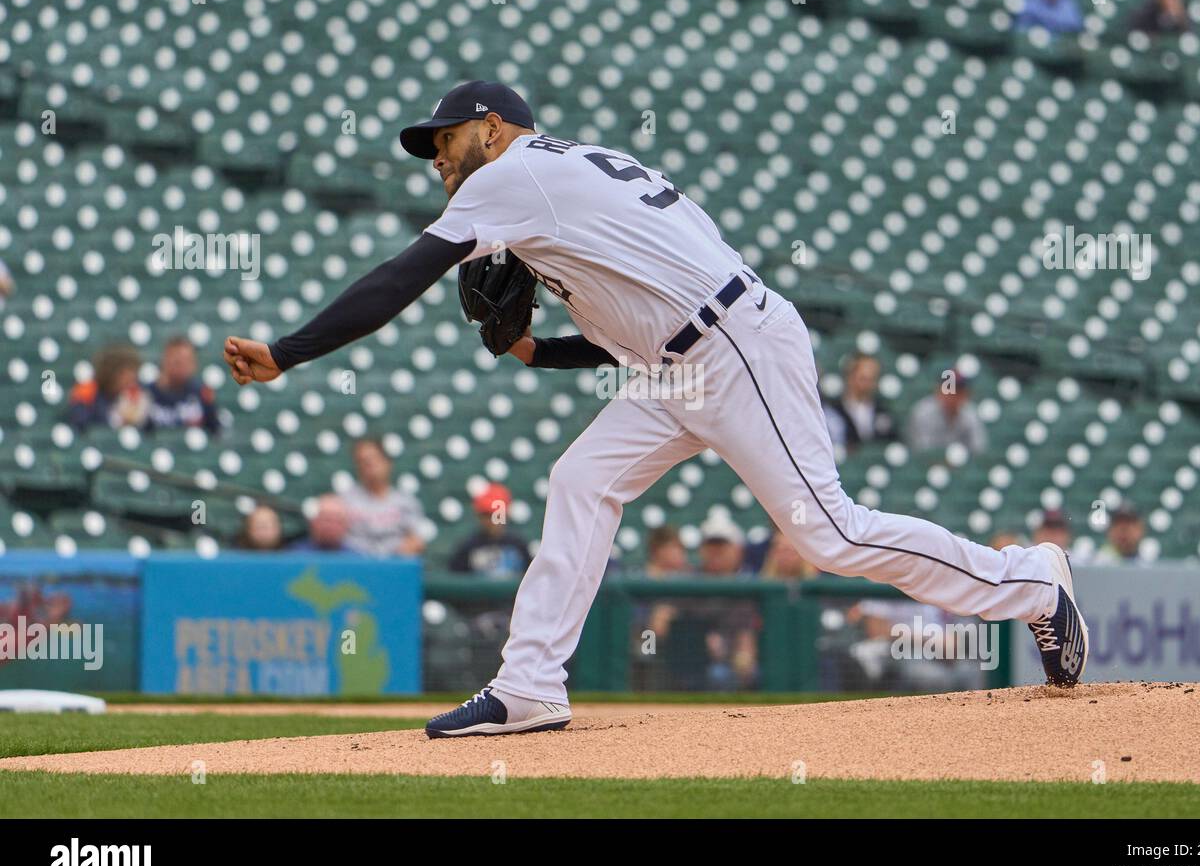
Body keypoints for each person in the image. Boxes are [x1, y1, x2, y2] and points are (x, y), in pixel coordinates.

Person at [223, 79, 1086, 737]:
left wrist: (290, 351)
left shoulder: (512, 174)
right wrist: (532, 349)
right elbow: (635, 324)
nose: (438, 160)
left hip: (733, 347)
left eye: (444, 140)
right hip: (688, 353)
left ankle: (1032, 581)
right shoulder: (576, 176)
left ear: (490, 126)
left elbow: (400, 277)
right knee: (581, 479)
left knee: (832, 534)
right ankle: (529, 686)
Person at [341, 438, 427, 558]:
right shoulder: (344, 501)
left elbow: (417, 540)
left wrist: (399, 554)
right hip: (355, 565)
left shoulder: (406, 501)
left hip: (394, 566)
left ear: (387, 462)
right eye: (363, 461)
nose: (369, 466)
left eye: (373, 459)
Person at [448, 483, 532, 576]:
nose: (493, 520)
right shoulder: (468, 547)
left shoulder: (518, 545)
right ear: (479, 516)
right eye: (487, 515)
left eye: (497, 514)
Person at [65, 344, 151, 431]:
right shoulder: (87, 391)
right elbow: (82, 426)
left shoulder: (134, 394)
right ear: (112, 372)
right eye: (127, 374)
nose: (131, 381)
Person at [822, 354, 897, 454]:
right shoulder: (832, 411)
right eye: (863, 378)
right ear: (850, 377)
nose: (868, 384)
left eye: (872, 378)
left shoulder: (884, 412)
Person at [147, 336, 221, 433]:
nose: (182, 367)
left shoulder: (201, 394)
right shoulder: (147, 394)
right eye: (177, 361)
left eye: (187, 361)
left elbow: (215, 432)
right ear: (165, 361)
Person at [906, 370, 988, 455]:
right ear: (938, 391)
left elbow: (979, 450)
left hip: (961, 465)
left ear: (965, 394)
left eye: (957, 392)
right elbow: (922, 450)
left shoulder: (971, 414)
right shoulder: (923, 412)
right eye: (947, 390)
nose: (951, 396)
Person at [289, 494, 353, 552]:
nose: (331, 526)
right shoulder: (293, 554)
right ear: (313, 521)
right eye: (326, 520)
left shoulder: (355, 559)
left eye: (337, 521)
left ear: (345, 525)